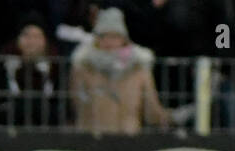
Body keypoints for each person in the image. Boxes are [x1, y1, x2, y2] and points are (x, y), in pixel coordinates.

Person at [68, 6, 169, 134]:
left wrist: (168, 117)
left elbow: (151, 111)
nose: (109, 42)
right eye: (104, 36)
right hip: (92, 138)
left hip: (129, 139)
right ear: (96, 40)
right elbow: (76, 104)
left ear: (124, 40)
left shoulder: (139, 69)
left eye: (115, 36)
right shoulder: (83, 67)